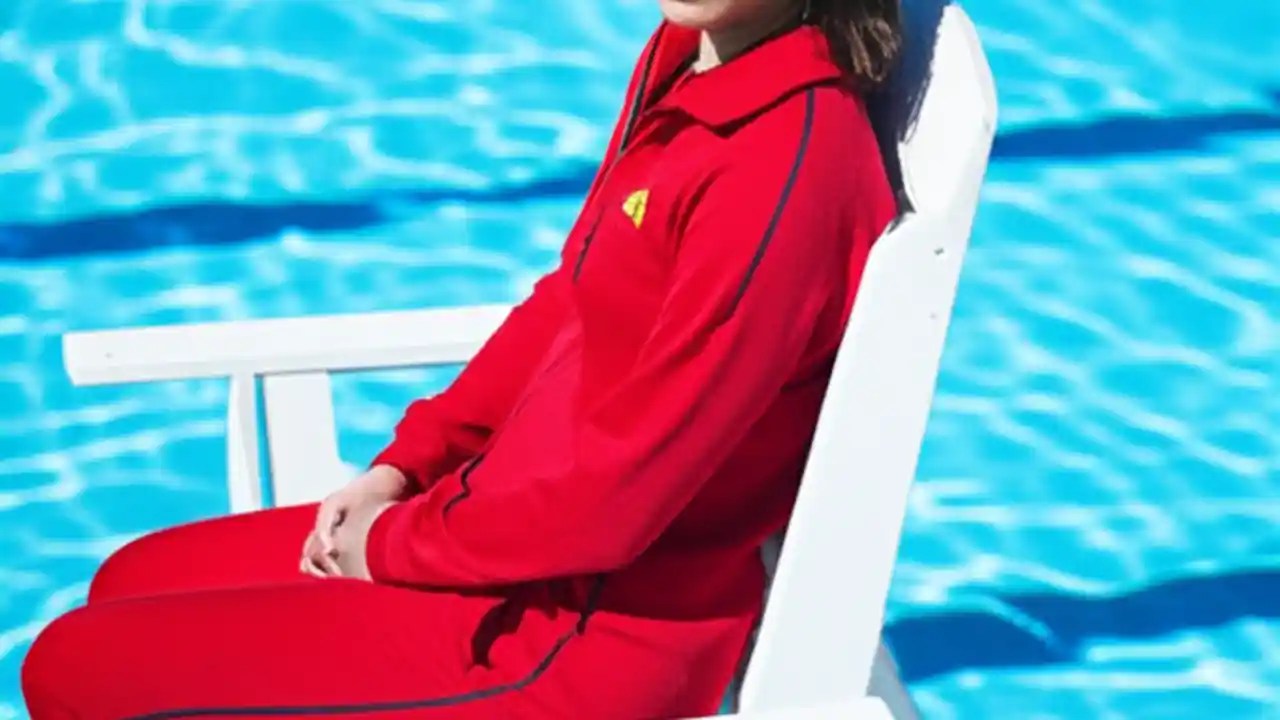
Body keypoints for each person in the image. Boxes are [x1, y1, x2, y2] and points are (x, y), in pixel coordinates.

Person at [21, 0, 902, 717]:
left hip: (577, 635)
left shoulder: (782, 169)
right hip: (499, 541)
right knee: (125, 580)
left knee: (70, 671)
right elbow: (570, 296)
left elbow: (623, 496)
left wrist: (397, 548)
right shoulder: (691, 57)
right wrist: (405, 467)